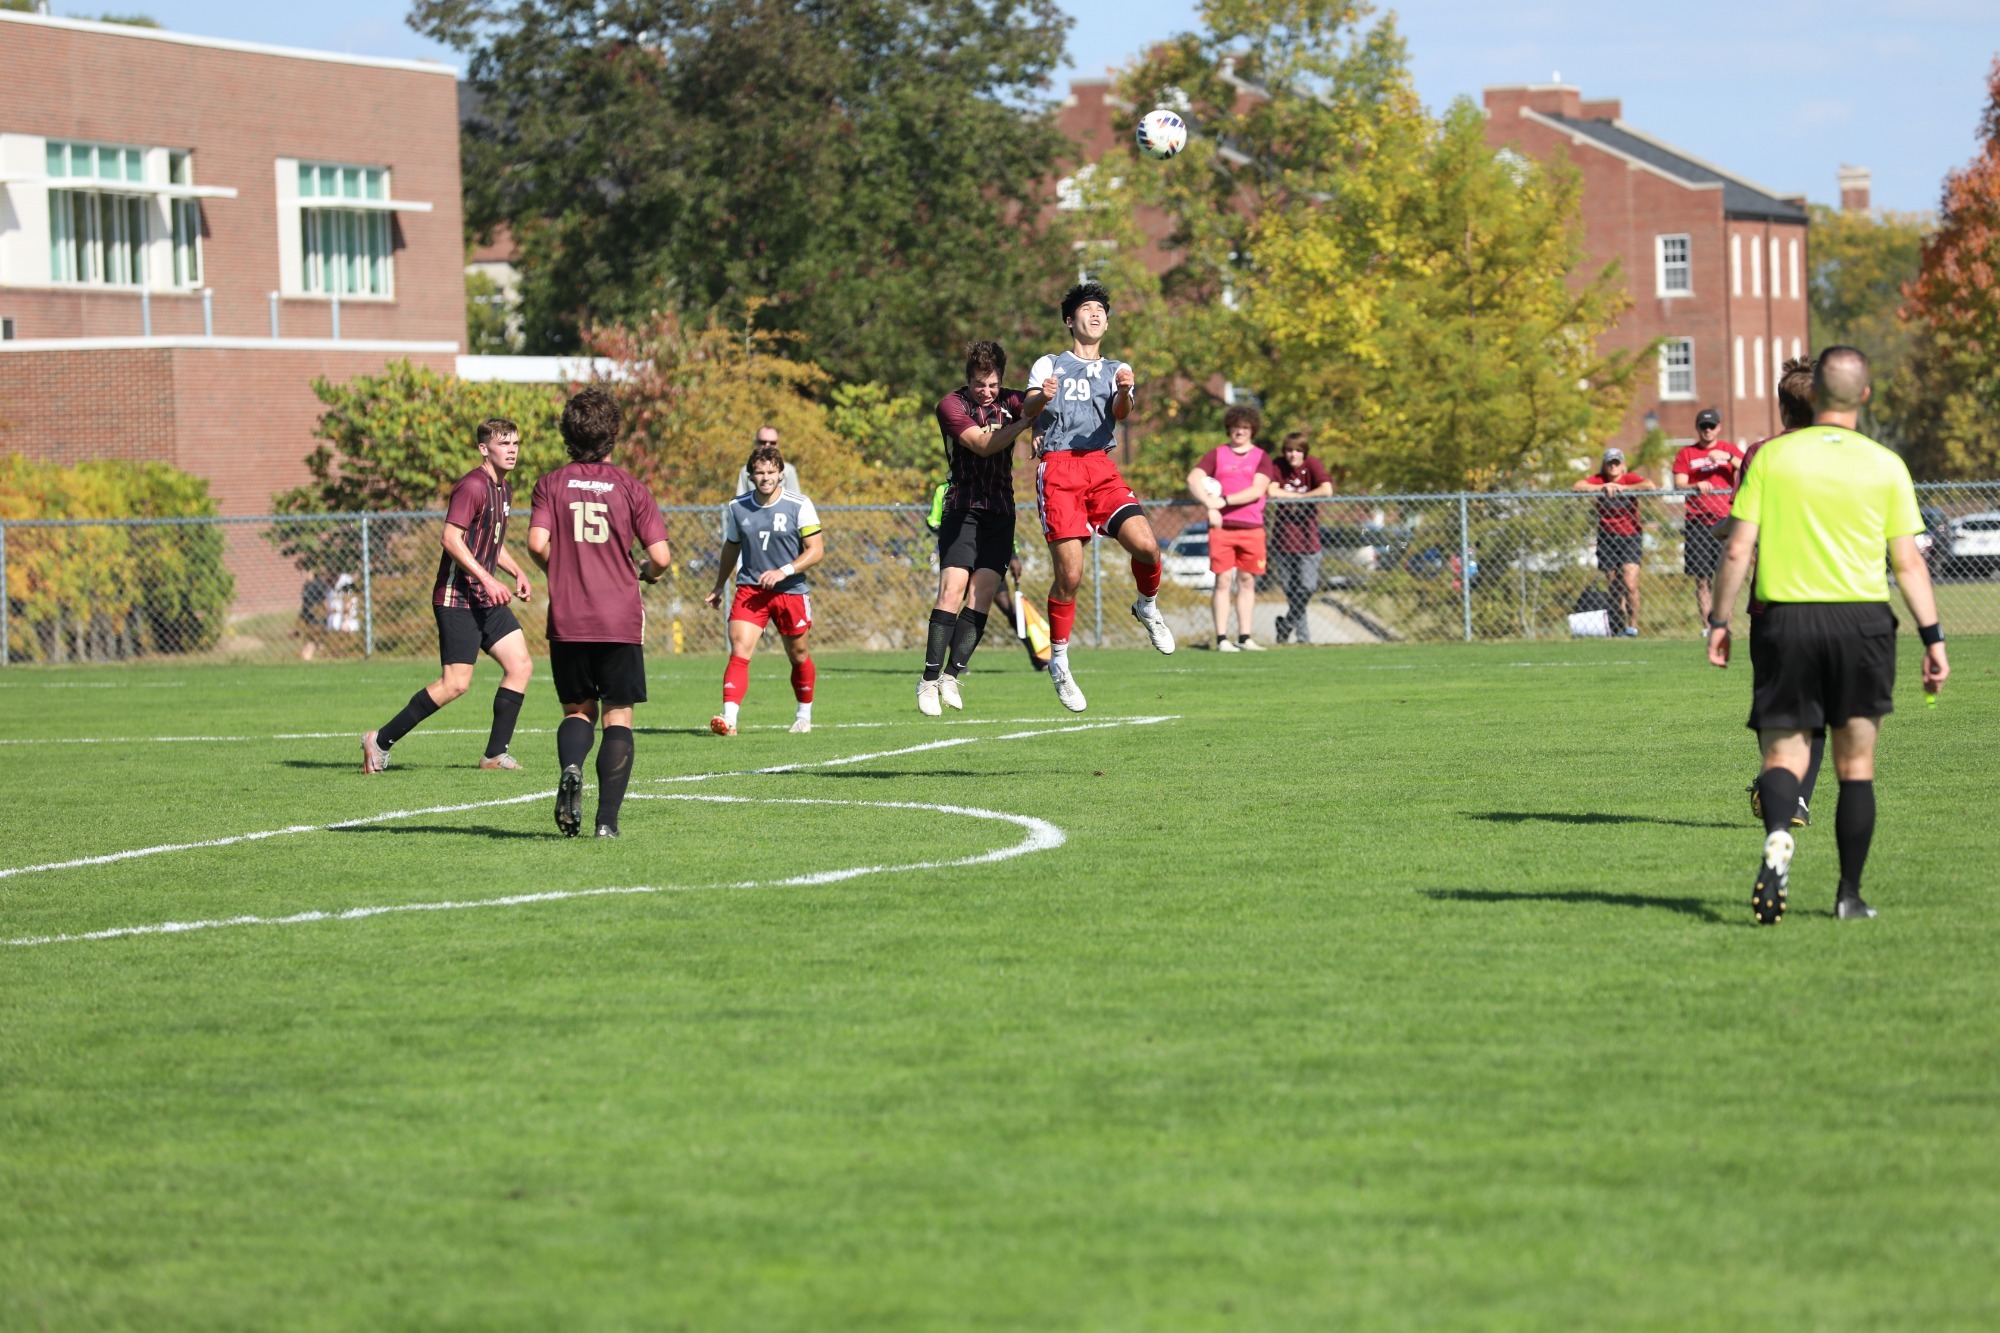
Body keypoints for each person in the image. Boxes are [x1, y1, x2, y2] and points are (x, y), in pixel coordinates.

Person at [1707, 346, 1949, 924]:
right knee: (1855, 766)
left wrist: (1718, 621)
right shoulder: (1886, 464)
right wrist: (1933, 638)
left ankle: (1777, 840)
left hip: (1786, 619)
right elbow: (1909, 564)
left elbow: (1738, 546)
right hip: (1861, 622)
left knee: (1784, 755)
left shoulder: (1772, 458)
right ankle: (1849, 896)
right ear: (1864, 395)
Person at [524, 389, 673, 839]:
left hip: (569, 619)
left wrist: (564, 567)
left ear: (568, 435)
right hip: (619, 619)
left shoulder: (551, 484)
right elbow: (662, 557)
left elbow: (535, 543)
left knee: (577, 712)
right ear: (612, 434)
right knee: (618, 716)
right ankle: (606, 821)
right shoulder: (631, 487)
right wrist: (645, 572)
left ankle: (572, 768)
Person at [1027, 280, 1176, 712]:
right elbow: (1030, 408)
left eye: (1101, 310)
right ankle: (1058, 661)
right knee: (1070, 577)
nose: (1095, 315)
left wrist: (1127, 392)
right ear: (1070, 320)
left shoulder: (1117, 368)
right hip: (1059, 469)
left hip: (1100, 467)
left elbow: (1121, 414)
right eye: (1087, 309)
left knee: (1147, 545)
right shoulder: (1050, 363)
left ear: (1107, 322)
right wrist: (1041, 400)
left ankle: (1146, 606)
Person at [362, 418, 536, 774]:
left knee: (520, 666)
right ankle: (379, 740)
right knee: (455, 684)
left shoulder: (504, 489)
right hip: (457, 598)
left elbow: (489, 543)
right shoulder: (472, 486)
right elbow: (450, 539)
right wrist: (488, 579)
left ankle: (494, 755)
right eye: (504, 444)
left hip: (484, 598)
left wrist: (516, 570)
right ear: (483, 449)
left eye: (515, 443)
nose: (513, 449)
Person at [918, 340, 1037, 715]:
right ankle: (928, 679)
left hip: (1001, 511)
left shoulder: (1011, 401)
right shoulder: (951, 406)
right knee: (952, 591)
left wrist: (1041, 406)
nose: (986, 392)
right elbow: (983, 445)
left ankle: (953, 675)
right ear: (967, 380)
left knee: (983, 594)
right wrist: (1024, 423)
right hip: (963, 508)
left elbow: (1035, 406)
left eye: (993, 384)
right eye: (979, 384)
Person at [1740, 356, 1828, 830]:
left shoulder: (1761, 454)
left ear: (1782, 407)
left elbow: (1743, 533)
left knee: (1774, 705)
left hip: (1772, 603)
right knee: (1816, 707)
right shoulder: (1849, 452)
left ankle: (1779, 783)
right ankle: (1799, 799)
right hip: (1836, 602)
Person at [706, 441, 823, 735]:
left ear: (781, 473)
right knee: (740, 650)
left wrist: (783, 571)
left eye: (771, 471)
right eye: (759, 472)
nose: (766, 477)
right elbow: (731, 548)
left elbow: (816, 550)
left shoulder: (800, 504)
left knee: (798, 654)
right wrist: (719, 586)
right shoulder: (737, 506)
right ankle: (729, 718)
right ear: (750, 476)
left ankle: (803, 714)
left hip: (791, 590)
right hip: (751, 589)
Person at [1187, 407, 1283, 651]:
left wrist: (1224, 501)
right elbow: (1193, 479)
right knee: (1223, 580)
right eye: (1236, 426)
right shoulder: (1217, 454)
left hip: (1251, 527)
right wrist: (1210, 505)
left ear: (1252, 430)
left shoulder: (1261, 456)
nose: (1240, 431)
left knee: (1247, 580)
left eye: (1246, 427)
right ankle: (1221, 638)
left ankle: (1245, 637)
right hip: (1222, 528)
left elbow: (1257, 490)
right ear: (1229, 428)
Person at [1673, 408, 1744, 630]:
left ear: (1719, 428)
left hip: (1724, 521)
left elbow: (1749, 467)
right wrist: (1695, 485)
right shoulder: (1687, 453)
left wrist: (1728, 458)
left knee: (1725, 577)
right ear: (1698, 429)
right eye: (1703, 427)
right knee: (1702, 577)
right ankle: (1708, 627)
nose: (1707, 430)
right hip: (1697, 522)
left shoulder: (1728, 449)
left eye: (1711, 426)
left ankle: (1725, 624)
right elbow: (1679, 482)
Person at [1572, 447, 1653, 636]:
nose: (1613, 466)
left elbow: (1649, 485)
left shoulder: (1630, 478)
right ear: (1605, 465)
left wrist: (1624, 489)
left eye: (1617, 462)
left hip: (1630, 535)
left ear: (1623, 466)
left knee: (1629, 582)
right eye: (1610, 463)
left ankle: (1633, 625)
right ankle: (1620, 625)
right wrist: (1602, 488)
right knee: (1614, 585)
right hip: (1607, 537)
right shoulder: (1599, 479)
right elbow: (1577, 486)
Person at [1267, 431, 1334, 644]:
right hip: (1283, 540)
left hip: (1308, 540)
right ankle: (1303, 639)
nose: (1292, 455)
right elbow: (1272, 490)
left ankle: (1285, 624)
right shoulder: (1278, 464)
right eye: (1289, 450)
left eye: (1297, 450)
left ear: (1304, 452)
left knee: (1307, 587)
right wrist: (1294, 497)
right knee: (1292, 592)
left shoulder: (1312, 464)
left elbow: (1326, 489)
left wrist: (1302, 498)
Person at [733, 425, 800, 495]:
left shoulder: (788, 470)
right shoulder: (745, 470)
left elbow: (795, 499)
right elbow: (741, 499)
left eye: (772, 443)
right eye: (763, 442)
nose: (767, 445)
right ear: (756, 443)